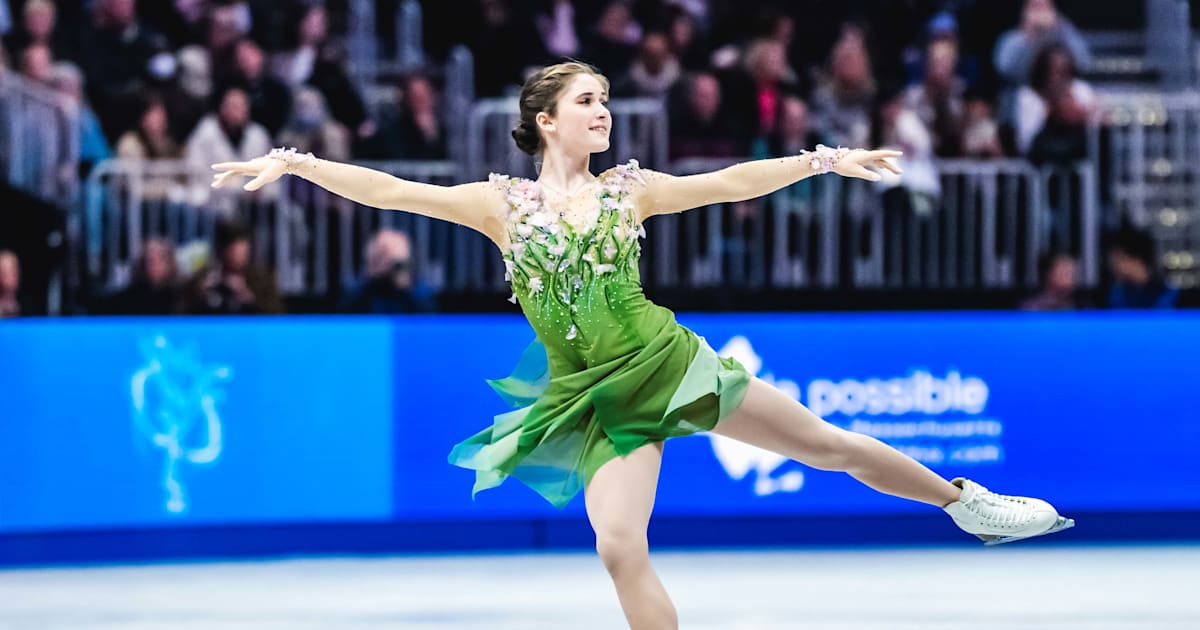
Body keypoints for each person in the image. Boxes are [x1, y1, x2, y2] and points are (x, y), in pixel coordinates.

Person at [212, 61, 1074, 629]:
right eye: (588, 100)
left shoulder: (631, 191)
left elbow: (730, 182)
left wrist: (820, 161)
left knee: (828, 446)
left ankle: (966, 503)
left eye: (607, 100)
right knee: (618, 545)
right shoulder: (497, 204)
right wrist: (299, 165)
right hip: (593, 396)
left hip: (667, 362)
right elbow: (395, 191)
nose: (605, 111)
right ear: (546, 120)